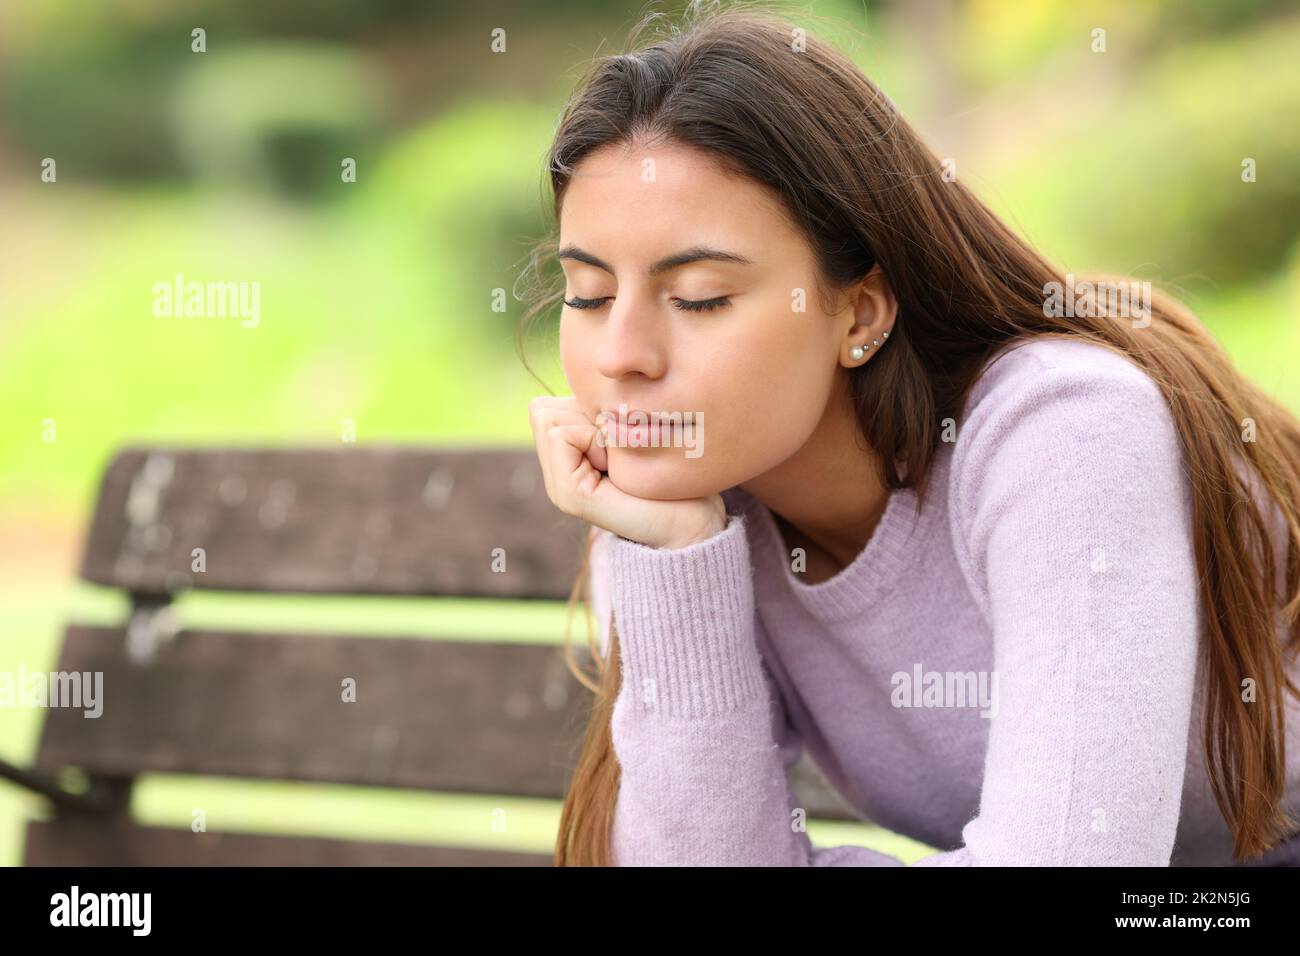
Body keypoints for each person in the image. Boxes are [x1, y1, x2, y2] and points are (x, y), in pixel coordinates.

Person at [519, 4, 1300, 866]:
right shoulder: (674, 510)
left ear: (860, 313)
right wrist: (675, 555)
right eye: (589, 295)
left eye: (699, 298)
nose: (620, 355)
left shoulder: (1063, 431)